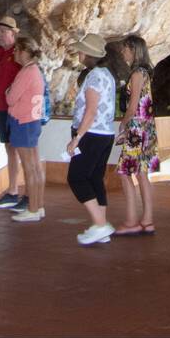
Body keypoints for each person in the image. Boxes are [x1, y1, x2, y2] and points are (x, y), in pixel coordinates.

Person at [66, 33, 119, 245]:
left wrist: (77, 138)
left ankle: (100, 224)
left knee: (77, 178)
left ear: (88, 54)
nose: (78, 53)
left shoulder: (95, 76)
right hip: (104, 134)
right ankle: (100, 225)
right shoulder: (106, 73)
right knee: (95, 178)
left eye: (81, 50)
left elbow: (90, 111)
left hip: (91, 134)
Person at [113, 35, 159, 235]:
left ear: (134, 50)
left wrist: (123, 126)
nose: (123, 52)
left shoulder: (136, 74)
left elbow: (132, 107)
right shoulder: (144, 72)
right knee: (141, 174)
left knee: (125, 173)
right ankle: (147, 220)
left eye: (125, 49)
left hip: (136, 130)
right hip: (146, 128)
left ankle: (132, 220)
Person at [6, 35, 47, 222]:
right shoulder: (35, 70)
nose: (14, 53)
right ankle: (38, 206)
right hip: (33, 121)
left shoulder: (26, 72)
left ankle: (32, 209)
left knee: (29, 168)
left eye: (16, 50)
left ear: (24, 52)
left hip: (23, 122)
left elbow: (10, 98)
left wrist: (8, 91)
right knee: (35, 166)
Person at [0, 15, 26, 211]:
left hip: (16, 109)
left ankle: (25, 194)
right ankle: (13, 191)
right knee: (10, 148)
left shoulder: (19, 53)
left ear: (13, 33)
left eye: (3, 32)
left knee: (23, 150)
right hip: (1, 106)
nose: (0, 35)